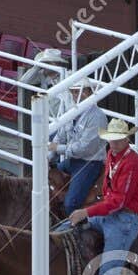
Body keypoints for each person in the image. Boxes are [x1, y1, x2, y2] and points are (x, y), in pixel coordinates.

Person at [65, 117, 138, 275]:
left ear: (126, 139)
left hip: (123, 221)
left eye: (118, 140)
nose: (113, 144)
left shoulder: (133, 163)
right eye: (111, 140)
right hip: (111, 214)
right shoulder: (112, 156)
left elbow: (119, 202)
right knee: (67, 228)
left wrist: (86, 212)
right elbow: (113, 196)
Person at [49, 78, 108, 217]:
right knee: (50, 177)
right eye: (74, 92)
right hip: (75, 161)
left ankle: (74, 226)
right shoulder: (73, 112)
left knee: (71, 203)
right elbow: (60, 135)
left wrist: (58, 148)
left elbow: (85, 148)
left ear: (89, 92)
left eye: (80, 91)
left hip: (90, 163)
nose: (76, 96)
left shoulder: (97, 117)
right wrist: (49, 157)